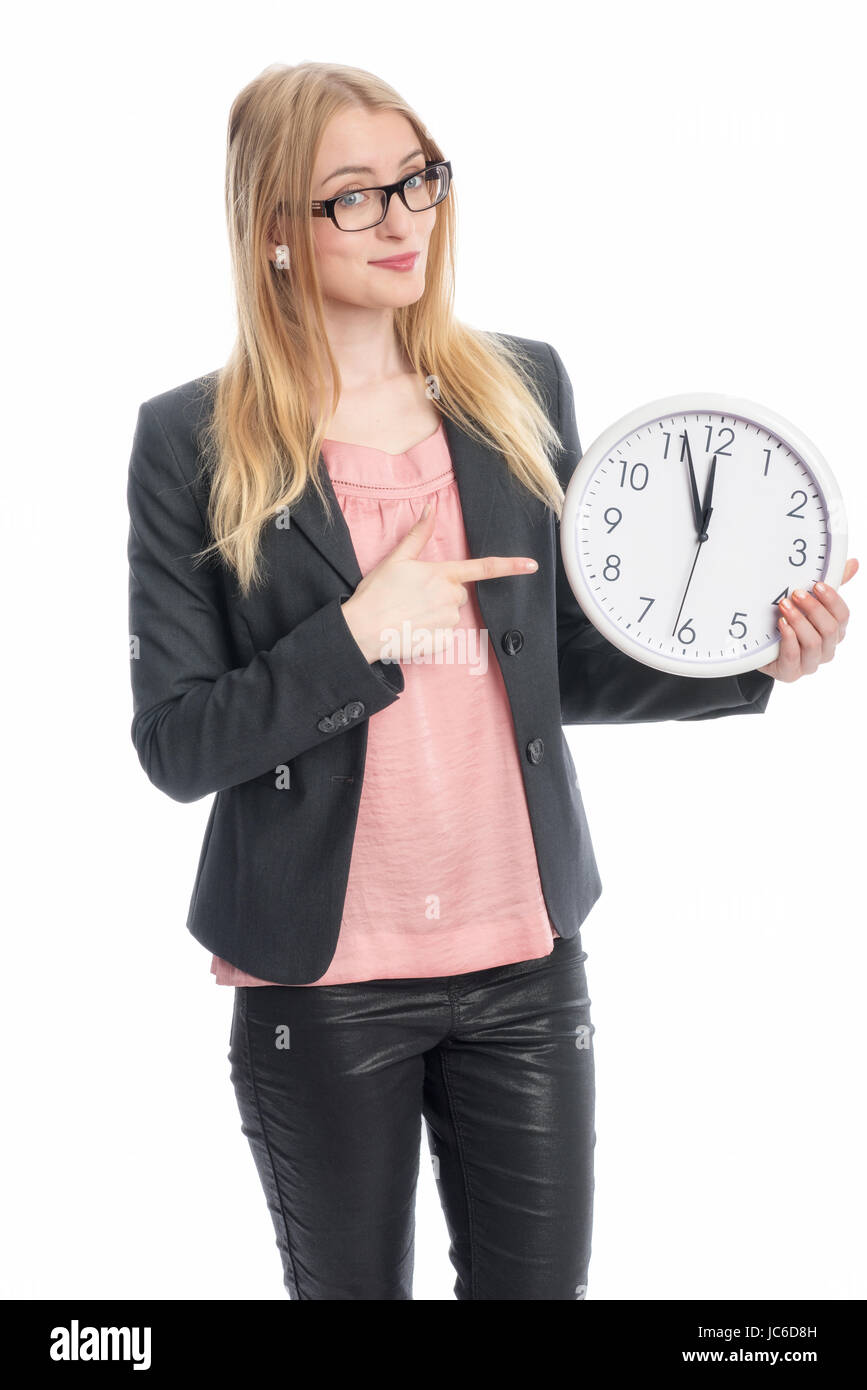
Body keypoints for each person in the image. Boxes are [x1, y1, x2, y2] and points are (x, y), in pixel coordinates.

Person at [126, 61, 857, 1301]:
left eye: (417, 179)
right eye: (353, 196)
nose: (403, 217)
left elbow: (559, 661)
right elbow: (177, 743)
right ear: (274, 233)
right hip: (325, 980)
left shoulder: (517, 384)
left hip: (524, 957)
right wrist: (358, 630)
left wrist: (752, 660)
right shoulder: (193, 437)